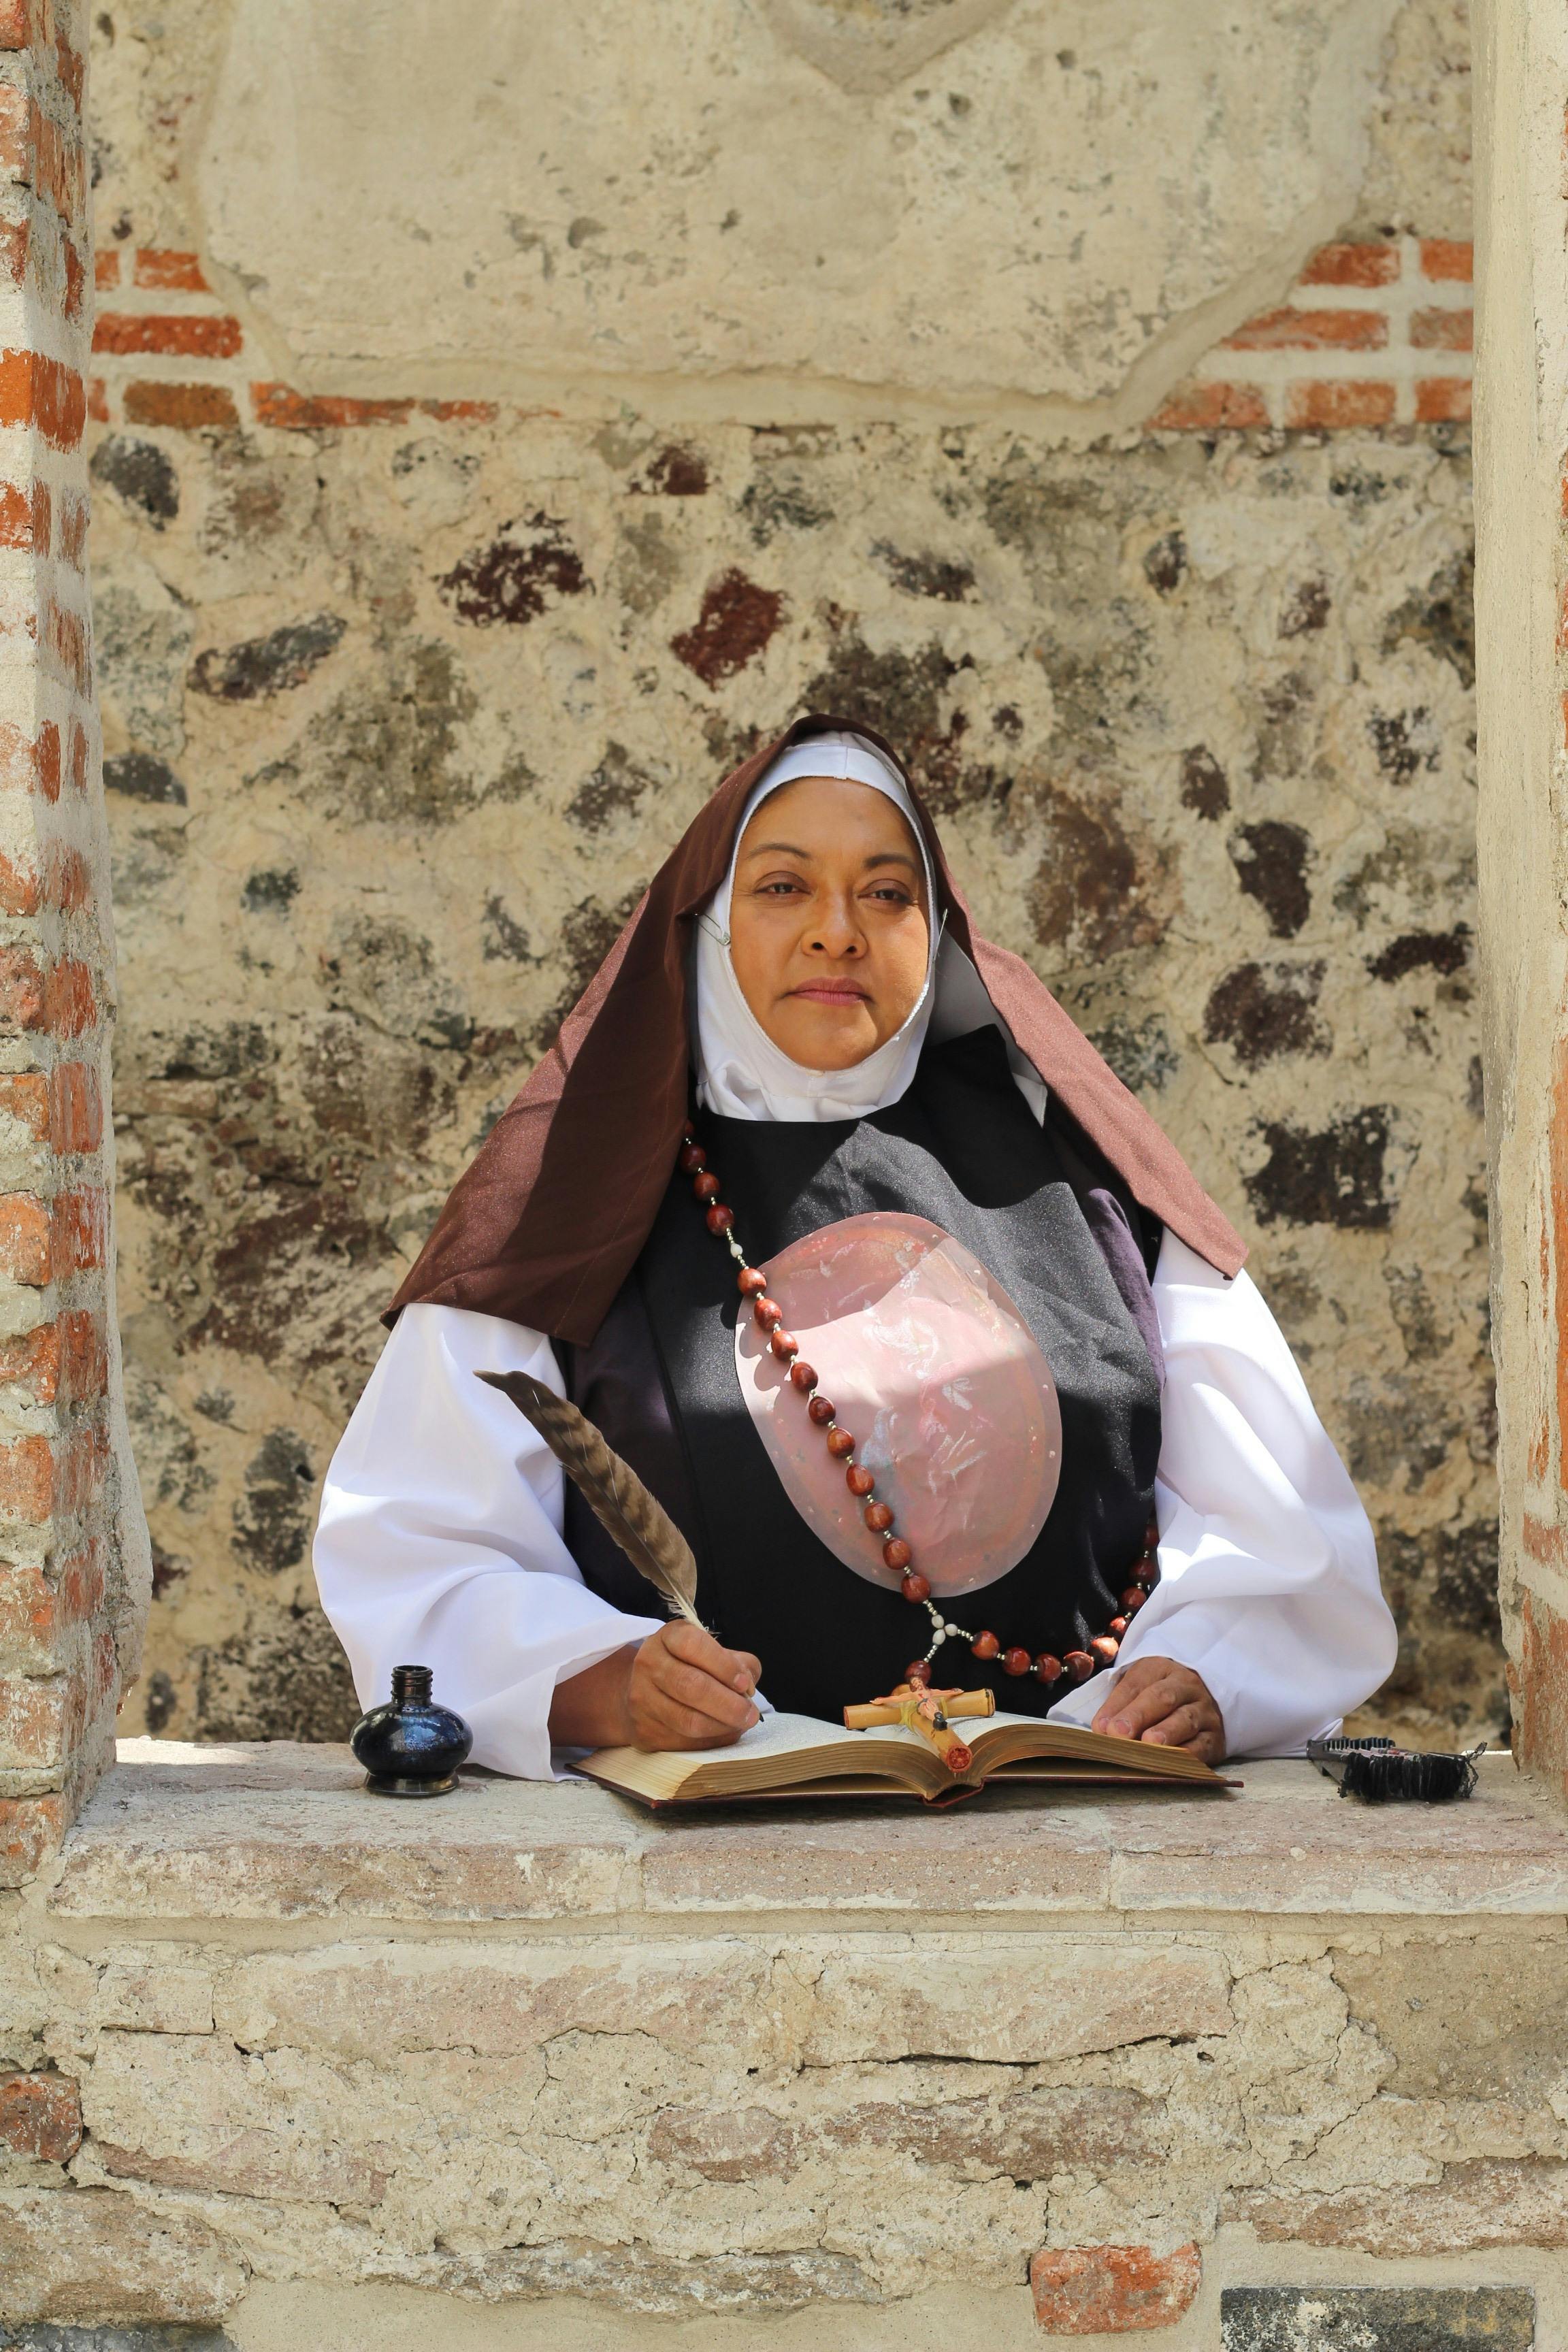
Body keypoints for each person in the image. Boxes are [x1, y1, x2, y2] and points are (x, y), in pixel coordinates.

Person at [314, 717, 1396, 1776]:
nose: (839, 930)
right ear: (708, 923)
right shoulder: (564, 1206)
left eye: (887, 893)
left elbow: (1282, 1536)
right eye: (784, 888)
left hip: (1072, 1836)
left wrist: (1202, 1674)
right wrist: (608, 1680)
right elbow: (421, 1549)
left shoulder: (1095, 1191)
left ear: (937, 932)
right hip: (714, 1870)